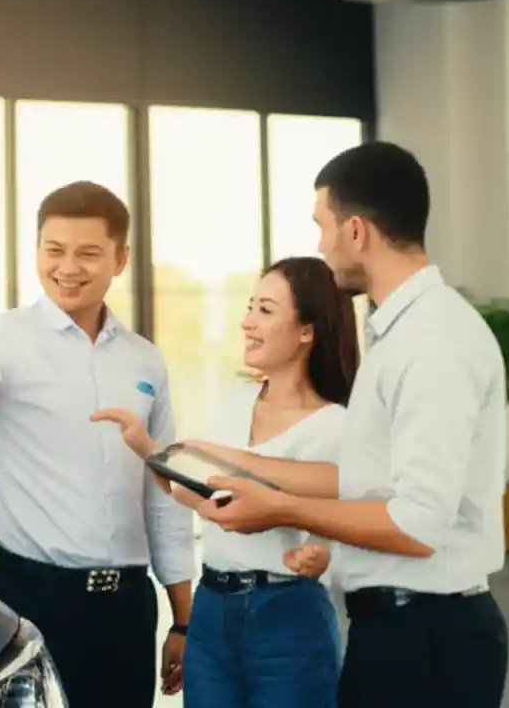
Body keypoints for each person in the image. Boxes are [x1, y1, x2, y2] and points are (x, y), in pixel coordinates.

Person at [188, 141, 509, 707]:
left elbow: (416, 522)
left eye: (322, 226)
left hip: (427, 640)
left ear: (356, 232)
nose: (319, 244)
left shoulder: (431, 342)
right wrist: (234, 465)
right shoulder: (398, 334)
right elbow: (368, 480)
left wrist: (280, 510)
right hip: (394, 629)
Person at [0, 180, 194, 705]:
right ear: (37, 251)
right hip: (30, 599)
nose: (68, 268)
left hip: (127, 608)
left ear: (120, 259)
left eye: (88, 254)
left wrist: (184, 620)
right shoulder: (1, 339)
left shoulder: (145, 360)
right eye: (54, 251)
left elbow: (162, 491)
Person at [94, 255, 358, 708]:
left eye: (265, 310)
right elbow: (196, 494)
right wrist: (146, 448)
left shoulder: (333, 425)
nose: (247, 322)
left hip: (288, 617)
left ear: (307, 331)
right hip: (213, 610)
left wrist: (326, 553)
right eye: (250, 306)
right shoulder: (237, 402)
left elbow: (355, 516)